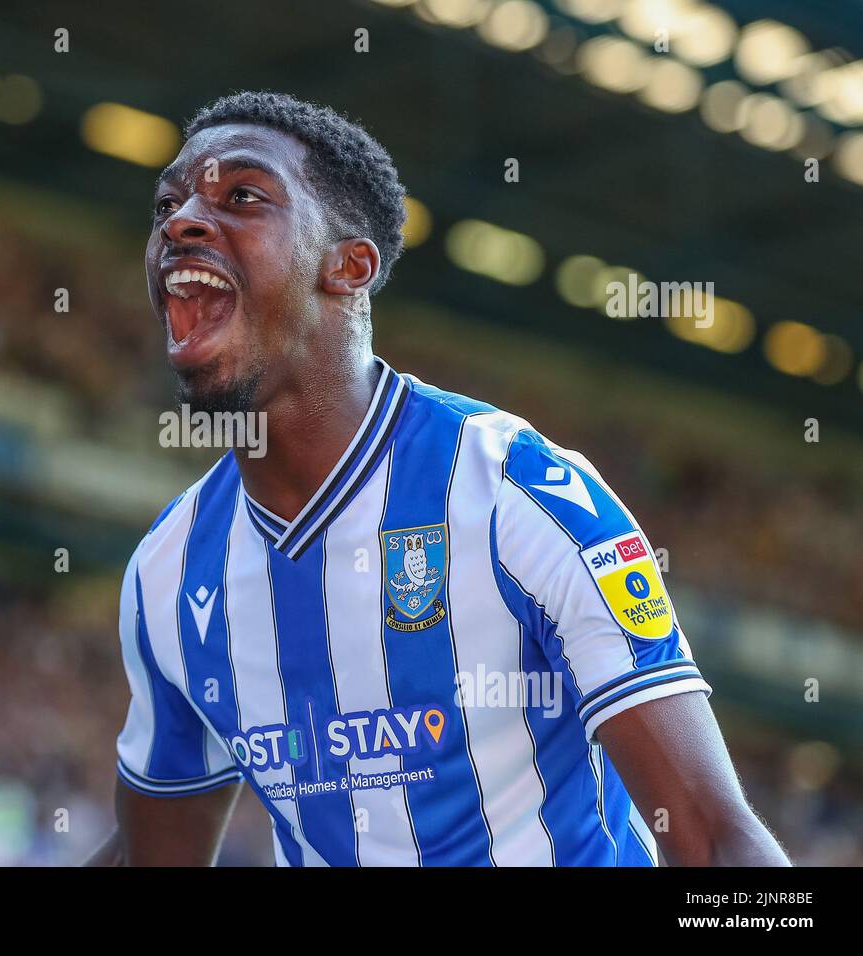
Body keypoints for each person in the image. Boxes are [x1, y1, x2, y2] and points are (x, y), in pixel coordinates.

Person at [87, 92, 788, 866]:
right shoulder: (169, 571)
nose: (180, 220)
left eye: (242, 196)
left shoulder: (521, 496)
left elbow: (720, 844)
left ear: (349, 266)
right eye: (167, 202)